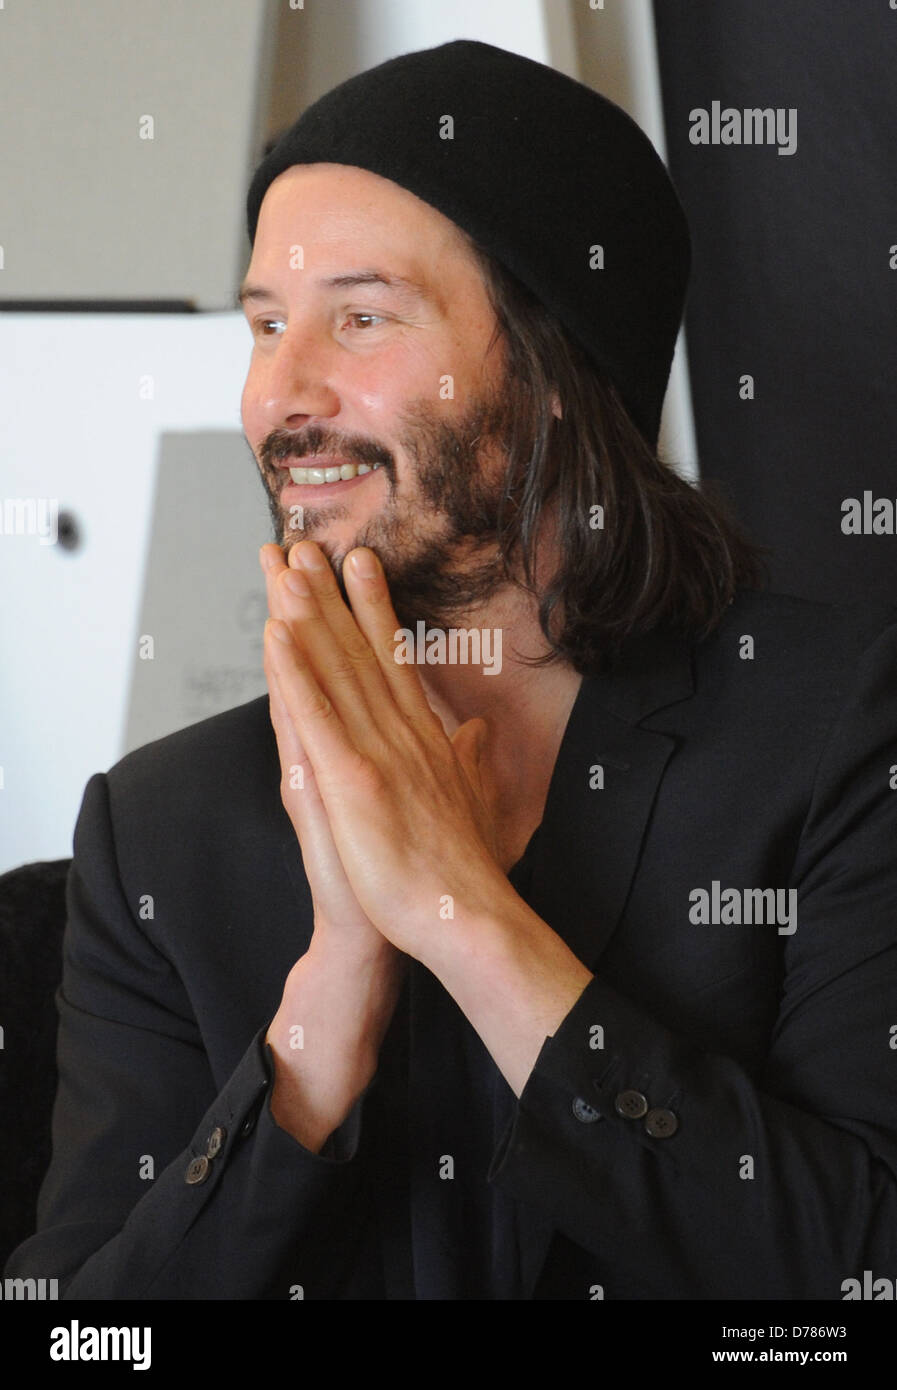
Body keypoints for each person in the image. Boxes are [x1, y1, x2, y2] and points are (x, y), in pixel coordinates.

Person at [8, 39, 897, 1301]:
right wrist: (328, 1007)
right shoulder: (158, 828)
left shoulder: (838, 728)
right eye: (267, 324)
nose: (279, 397)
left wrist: (458, 915)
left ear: (549, 369)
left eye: (359, 317)